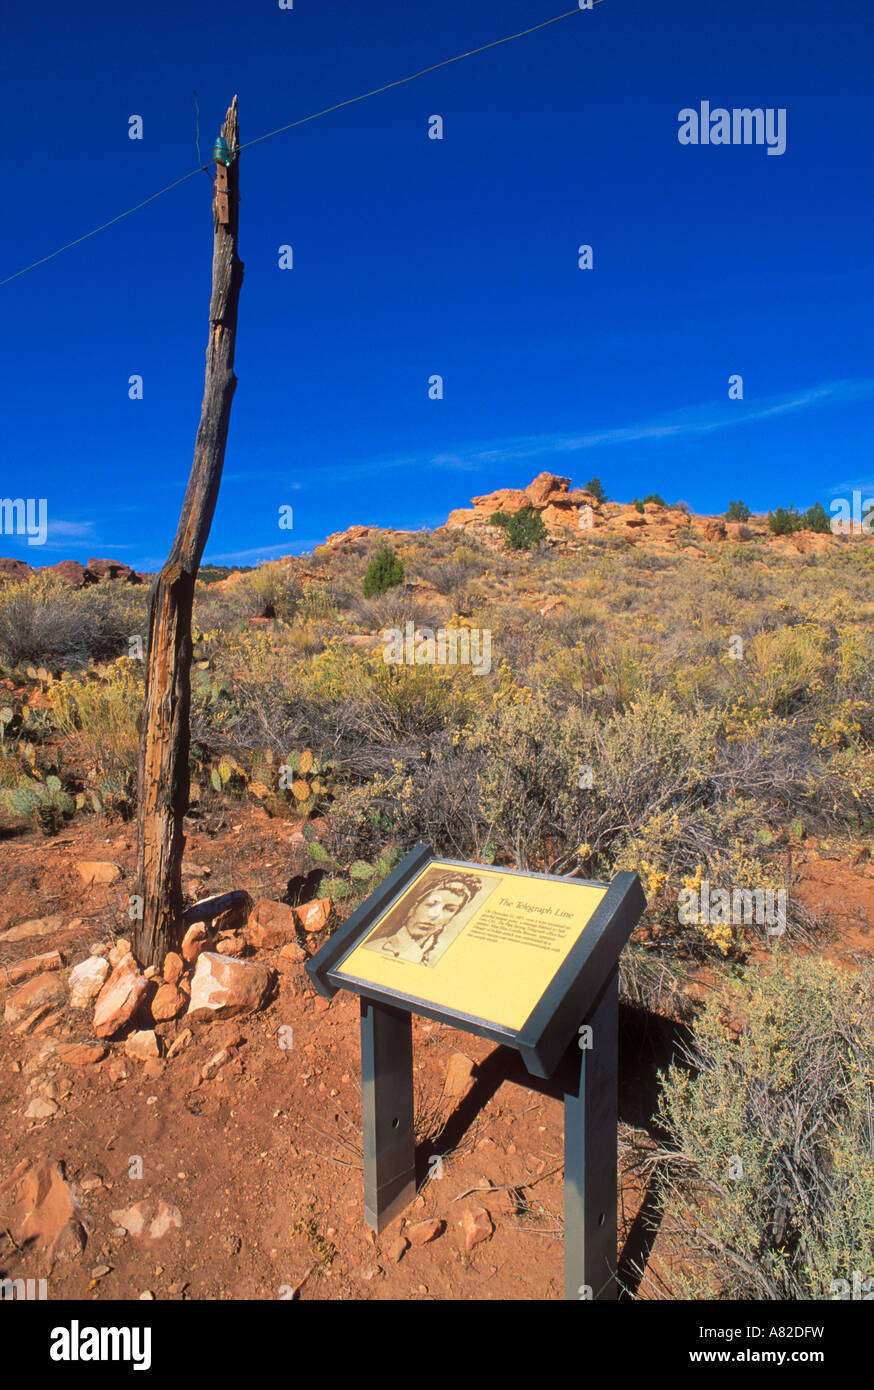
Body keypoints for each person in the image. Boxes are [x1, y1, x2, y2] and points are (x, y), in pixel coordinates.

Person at [378, 872, 482, 965]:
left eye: (449, 909)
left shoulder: (443, 960)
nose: (435, 915)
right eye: (432, 904)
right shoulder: (376, 948)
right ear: (414, 907)